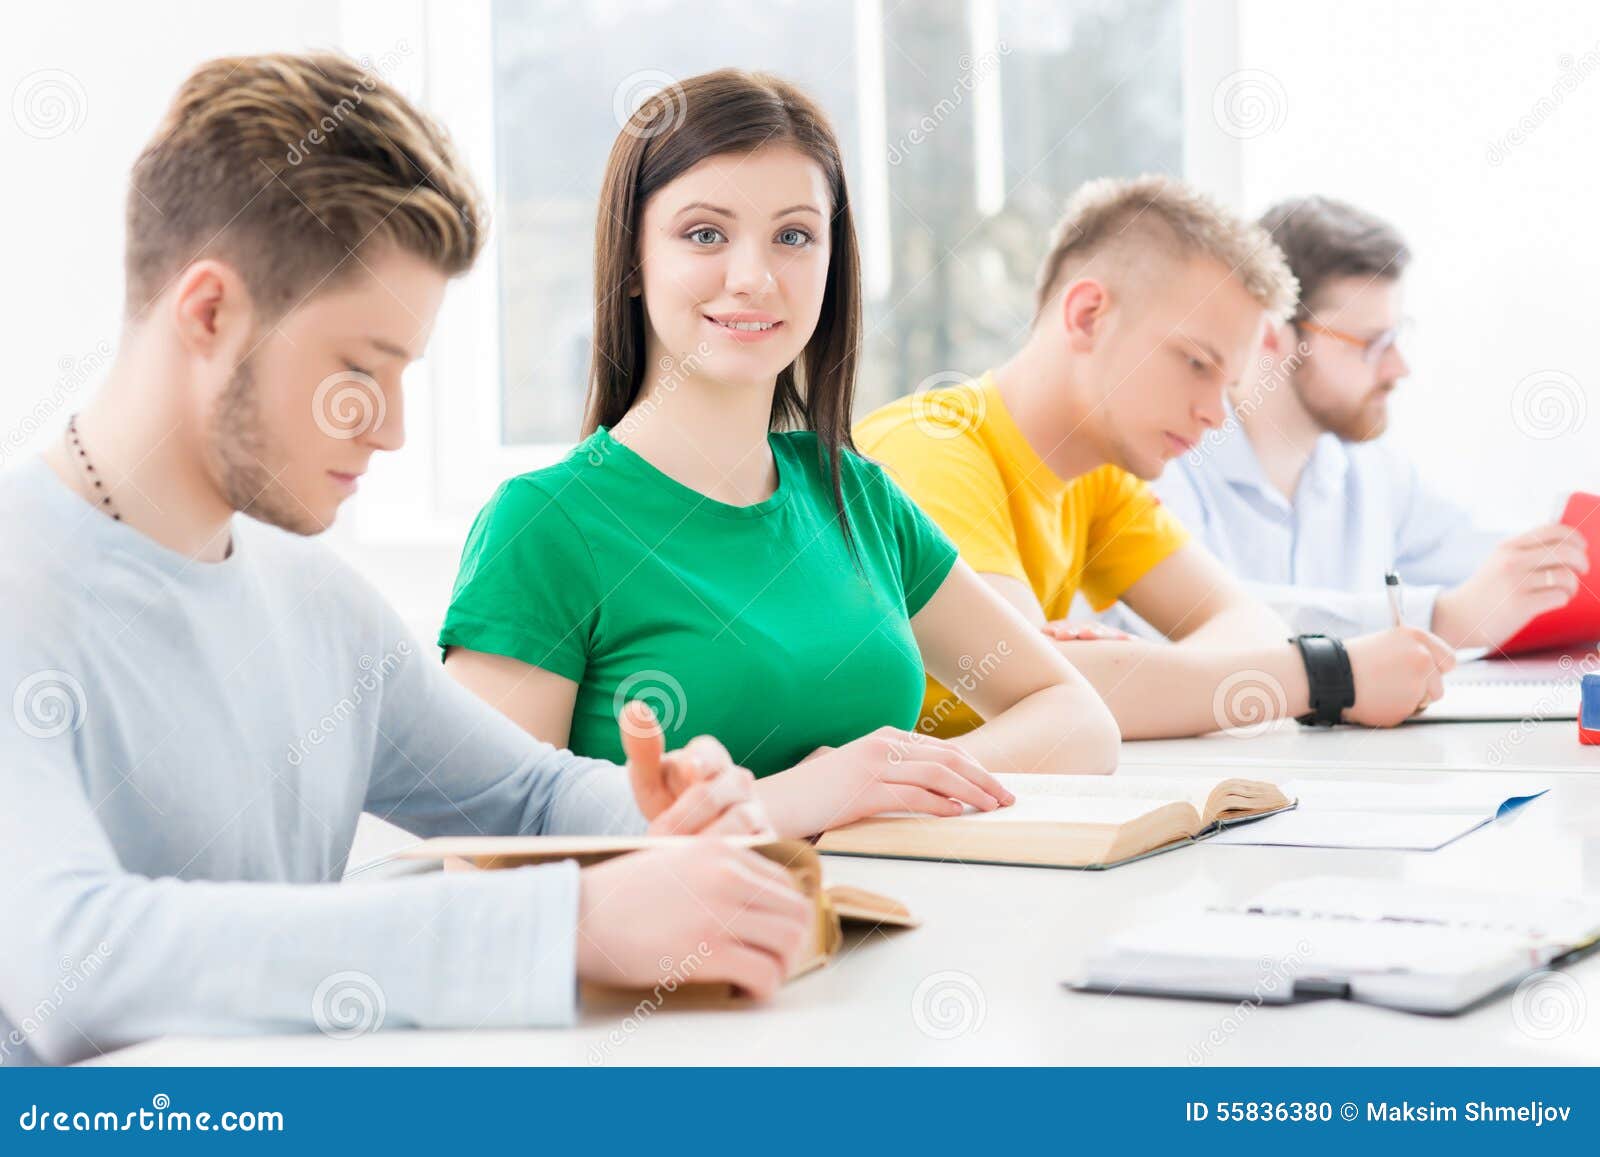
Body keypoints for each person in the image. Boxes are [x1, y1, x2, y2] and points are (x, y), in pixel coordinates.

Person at [0, 53, 813, 1067]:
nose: (386, 431)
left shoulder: (316, 601)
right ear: (208, 312)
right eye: (358, 368)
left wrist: (666, 806)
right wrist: (565, 925)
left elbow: (528, 798)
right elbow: (73, 964)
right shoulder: (17, 590)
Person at [441, 69, 1120, 840]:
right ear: (633, 261)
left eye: (794, 236)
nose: (753, 278)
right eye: (705, 234)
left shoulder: (853, 493)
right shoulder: (544, 525)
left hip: (905, 932)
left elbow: (1077, 719)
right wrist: (807, 797)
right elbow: (486, 852)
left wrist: (897, 782)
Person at [855, 176, 1455, 741]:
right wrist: (1330, 677)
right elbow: (1041, 697)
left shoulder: (1097, 479)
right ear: (1088, 316)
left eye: (1229, 384)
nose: (1217, 414)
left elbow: (1251, 625)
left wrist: (1128, 676)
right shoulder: (931, 445)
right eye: (1197, 363)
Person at [1151, 194, 1587, 647]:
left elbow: (1485, 558)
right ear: (1272, 336)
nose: (1399, 368)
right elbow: (1205, 617)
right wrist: (1439, 618)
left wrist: (1562, 562)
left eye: (1397, 337)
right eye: (1373, 343)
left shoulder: (1376, 475)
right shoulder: (1166, 462)